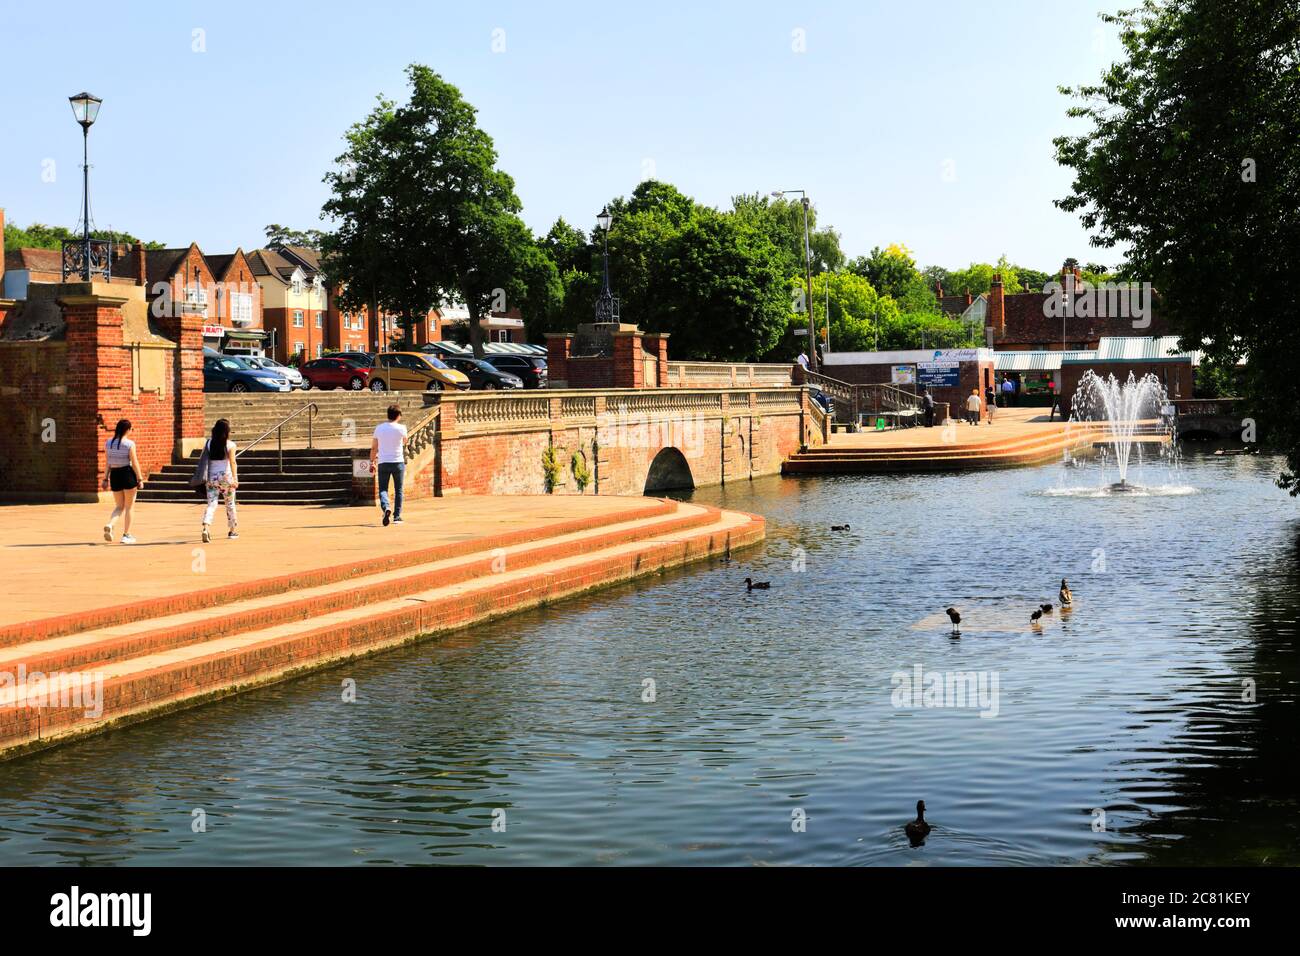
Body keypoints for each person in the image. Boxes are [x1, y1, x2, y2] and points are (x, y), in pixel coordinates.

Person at [101, 418, 144, 545]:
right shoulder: (129, 444)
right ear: (127, 430)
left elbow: (108, 462)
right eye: (131, 429)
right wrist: (140, 478)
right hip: (127, 474)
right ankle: (126, 535)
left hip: (114, 475)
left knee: (119, 506)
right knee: (129, 507)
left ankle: (110, 524)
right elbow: (134, 463)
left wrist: (105, 478)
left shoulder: (108, 443)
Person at [201, 418, 239, 544]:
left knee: (212, 503)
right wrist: (235, 478)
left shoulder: (209, 443)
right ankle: (232, 530)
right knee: (230, 503)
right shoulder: (230, 445)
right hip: (226, 478)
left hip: (212, 478)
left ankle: (206, 526)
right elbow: (233, 462)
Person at [371, 405, 408, 526]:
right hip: (398, 462)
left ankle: (386, 506)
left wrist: (372, 461)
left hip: (383, 462)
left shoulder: (379, 428)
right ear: (398, 415)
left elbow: (374, 447)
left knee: (383, 489)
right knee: (399, 490)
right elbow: (405, 441)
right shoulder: (402, 428)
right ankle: (397, 516)